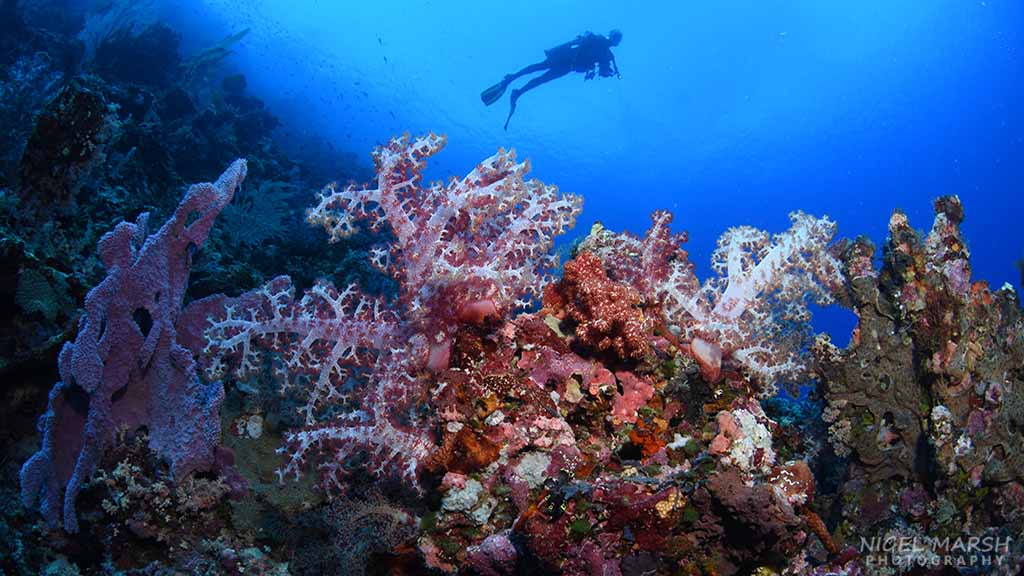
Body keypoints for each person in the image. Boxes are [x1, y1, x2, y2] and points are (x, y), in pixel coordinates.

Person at [481, 29, 622, 130]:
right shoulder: (599, 42)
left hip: (568, 65)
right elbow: (583, 45)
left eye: (617, 39)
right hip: (566, 59)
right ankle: (513, 81)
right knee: (539, 69)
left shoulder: (607, 54)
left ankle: (517, 90)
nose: (615, 40)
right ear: (612, 36)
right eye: (616, 37)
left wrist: (607, 72)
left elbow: (602, 70)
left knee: (541, 76)